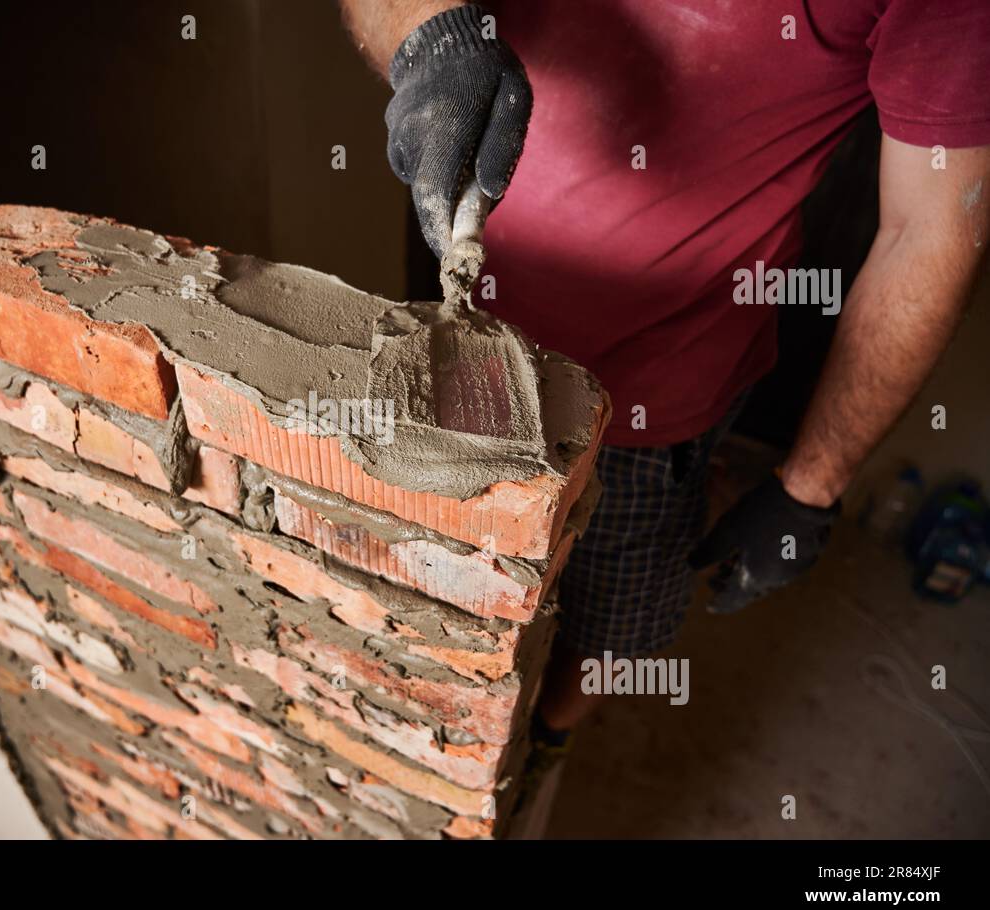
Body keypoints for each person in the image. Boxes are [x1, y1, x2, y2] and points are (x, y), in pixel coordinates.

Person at [341, 0, 990, 736]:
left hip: (658, 399)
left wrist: (810, 486)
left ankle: (542, 752)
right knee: (453, 602)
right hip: (473, 345)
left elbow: (930, 230)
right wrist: (429, 37)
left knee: (610, 623)